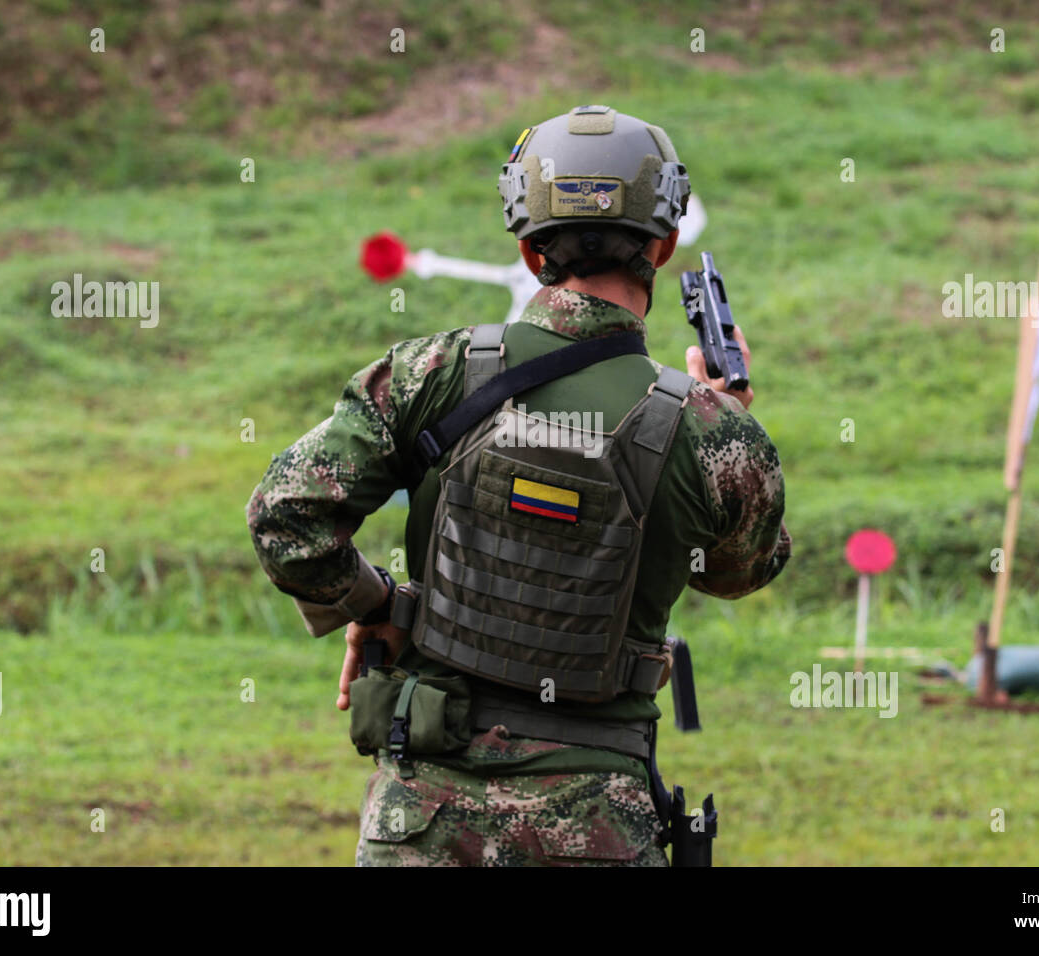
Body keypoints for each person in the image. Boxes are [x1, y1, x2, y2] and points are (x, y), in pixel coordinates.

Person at [246, 105, 789, 866]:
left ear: (531, 253)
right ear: (663, 247)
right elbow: (740, 572)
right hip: (598, 830)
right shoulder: (712, 430)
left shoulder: (431, 372)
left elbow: (286, 517)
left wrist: (381, 607)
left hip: (423, 825)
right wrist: (727, 417)